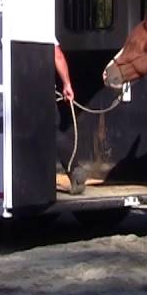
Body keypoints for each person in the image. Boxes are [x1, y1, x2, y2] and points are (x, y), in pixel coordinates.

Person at [54, 43, 89, 195]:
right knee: (52, 132)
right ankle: (74, 169)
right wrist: (67, 84)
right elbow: (58, 55)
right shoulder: (42, 27)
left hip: (20, 89)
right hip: (42, 87)